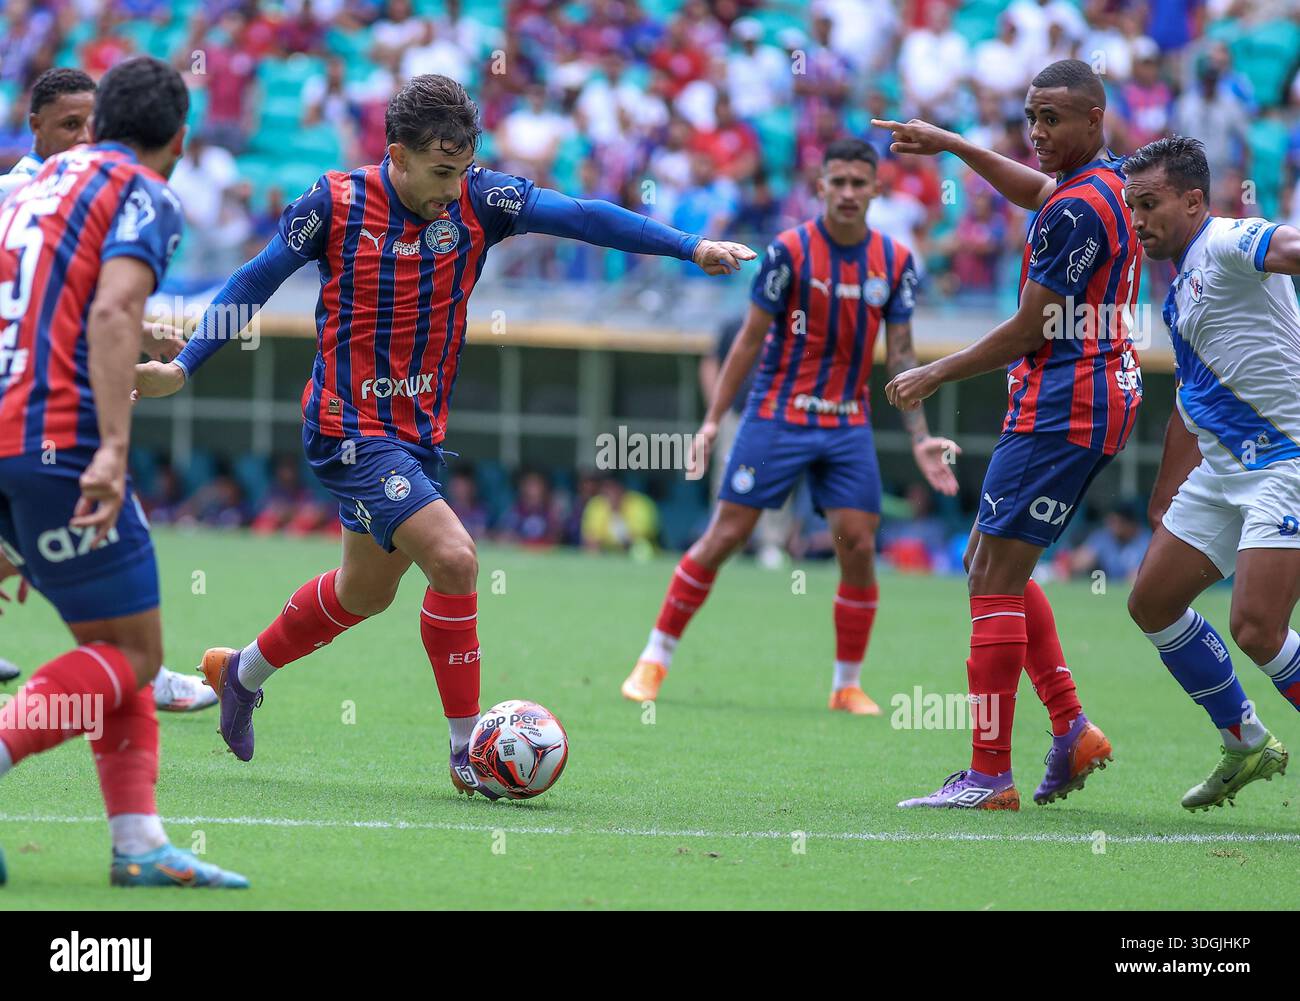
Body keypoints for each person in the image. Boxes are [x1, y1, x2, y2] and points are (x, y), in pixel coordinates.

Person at [135, 74, 754, 797]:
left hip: (417, 431)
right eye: (438, 171)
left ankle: (240, 673)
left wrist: (691, 247)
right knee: (456, 559)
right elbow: (253, 279)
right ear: (396, 155)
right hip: (347, 426)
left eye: (462, 168)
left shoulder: (484, 198)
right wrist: (184, 365)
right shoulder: (333, 203)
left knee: (363, 593)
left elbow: (584, 216)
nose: (452, 186)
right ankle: (470, 750)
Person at [0, 56, 246, 887]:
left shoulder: (33, 182)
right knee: (135, 654)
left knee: (116, 643)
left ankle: (137, 843)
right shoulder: (146, 191)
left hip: (8, 431)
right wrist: (109, 445)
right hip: (53, 440)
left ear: (99, 123)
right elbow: (112, 310)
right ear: (179, 138)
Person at [876, 59, 1143, 809]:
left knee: (991, 575)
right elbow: (1037, 191)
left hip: (1062, 403)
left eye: (1053, 118)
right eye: (1031, 117)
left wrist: (934, 373)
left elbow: (1033, 324)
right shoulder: (1108, 182)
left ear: (1095, 119)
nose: (1037, 132)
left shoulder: (1077, 209)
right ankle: (1071, 726)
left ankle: (990, 773)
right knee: (990, 560)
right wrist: (955, 144)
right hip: (1091, 393)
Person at [622, 138, 959, 715]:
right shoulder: (789, 252)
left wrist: (920, 436)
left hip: (847, 424)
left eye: (860, 183)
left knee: (857, 544)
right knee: (725, 536)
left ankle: (846, 685)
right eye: (839, 182)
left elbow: (901, 356)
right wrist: (710, 422)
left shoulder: (897, 263)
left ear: (876, 189)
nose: (849, 193)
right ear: (820, 187)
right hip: (777, 414)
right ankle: (652, 660)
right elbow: (747, 341)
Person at [0, 65, 214, 713]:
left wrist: (135, 332)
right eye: (67, 124)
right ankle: (143, 670)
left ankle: (134, 815)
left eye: (87, 124)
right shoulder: (63, 188)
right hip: (36, 410)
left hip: (25, 398)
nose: (80, 135)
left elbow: (65, 295)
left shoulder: (49, 189)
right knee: (119, 618)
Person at [1124, 135, 1297, 811]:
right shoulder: (1179, 292)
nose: (1139, 220)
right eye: (1132, 205)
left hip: (1288, 461)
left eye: (1150, 204)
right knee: (1152, 603)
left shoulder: (1227, 241)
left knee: (1256, 626)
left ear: (1193, 201)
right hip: (1223, 471)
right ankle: (1245, 739)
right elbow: (1190, 401)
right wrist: (1168, 488)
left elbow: (1287, 246)